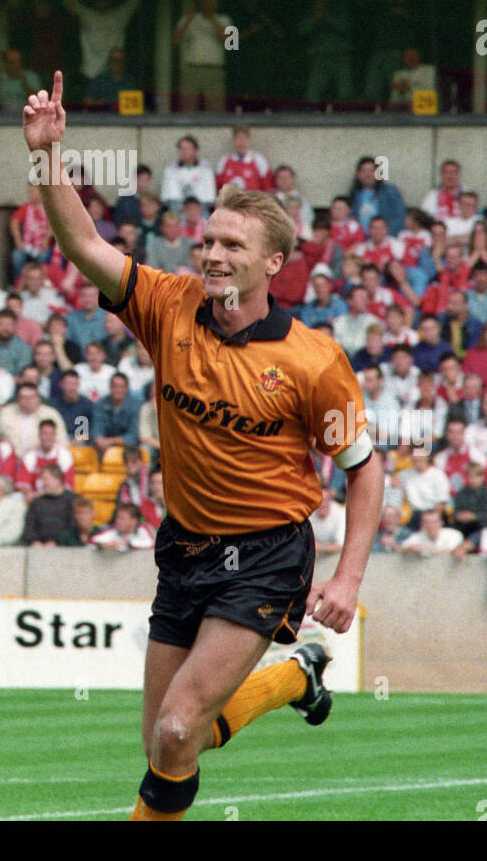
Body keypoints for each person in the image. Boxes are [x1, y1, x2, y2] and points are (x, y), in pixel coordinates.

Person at [23, 70, 379, 822]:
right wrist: (47, 155)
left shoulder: (312, 362)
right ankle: (294, 678)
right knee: (164, 743)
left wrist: (345, 581)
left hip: (266, 556)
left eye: (231, 246)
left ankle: (292, 668)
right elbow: (81, 240)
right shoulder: (167, 304)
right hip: (182, 547)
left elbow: (364, 471)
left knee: (179, 726)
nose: (212, 255)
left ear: (271, 264)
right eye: (207, 239)